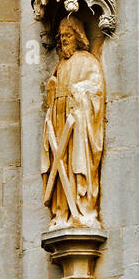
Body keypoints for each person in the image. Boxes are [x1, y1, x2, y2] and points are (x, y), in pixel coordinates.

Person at [41, 15, 105, 229]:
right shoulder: (60, 66)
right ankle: (61, 211)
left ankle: (83, 207)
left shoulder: (87, 61)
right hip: (59, 121)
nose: (64, 40)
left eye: (68, 35)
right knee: (59, 165)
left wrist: (80, 92)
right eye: (61, 36)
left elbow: (96, 88)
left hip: (76, 123)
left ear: (78, 37)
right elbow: (52, 91)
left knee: (76, 162)